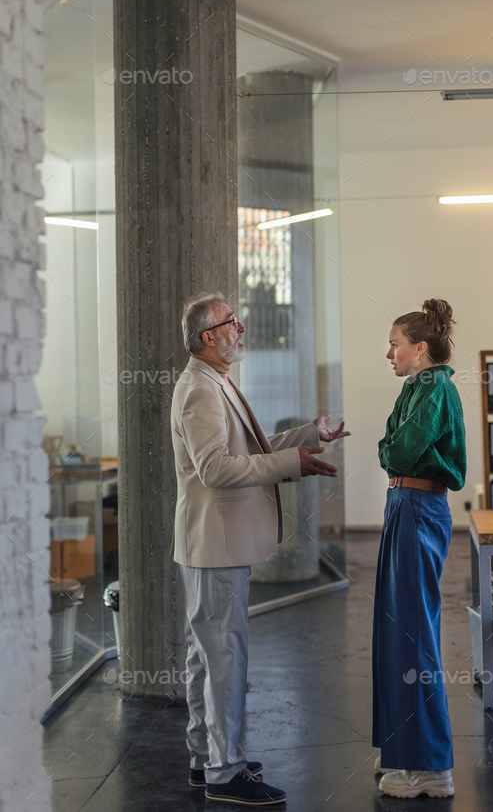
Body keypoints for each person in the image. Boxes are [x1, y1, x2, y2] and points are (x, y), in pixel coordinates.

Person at [170, 291, 349, 806]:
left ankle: (207, 759)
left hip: (213, 544)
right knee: (224, 656)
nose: (241, 328)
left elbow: (245, 448)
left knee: (209, 655)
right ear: (208, 336)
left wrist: (306, 435)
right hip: (215, 545)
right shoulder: (200, 390)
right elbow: (218, 469)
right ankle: (226, 772)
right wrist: (293, 463)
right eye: (231, 322)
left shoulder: (213, 380)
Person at [372, 299, 466, 800]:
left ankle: (429, 765)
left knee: (412, 635)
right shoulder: (419, 387)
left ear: (419, 347)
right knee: (399, 631)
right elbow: (390, 444)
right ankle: (405, 752)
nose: (389, 353)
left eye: (395, 343)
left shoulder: (433, 387)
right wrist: (391, 450)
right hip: (405, 502)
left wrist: (391, 451)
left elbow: (398, 450)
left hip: (417, 506)